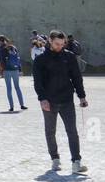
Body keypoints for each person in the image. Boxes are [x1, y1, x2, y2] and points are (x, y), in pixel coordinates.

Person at [32, 29, 89, 174]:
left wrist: (81, 96)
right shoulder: (40, 59)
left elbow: (76, 77)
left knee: (72, 131)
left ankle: (76, 161)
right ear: (50, 41)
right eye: (57, 44)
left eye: (62, 44)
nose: (60, 47)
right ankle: (55, 159)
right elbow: (38, 82)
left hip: (66, 99)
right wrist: (42, 98)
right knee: (50, 131)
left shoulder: (69, 57)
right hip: (49, 101)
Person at [0, 35, 27, 112]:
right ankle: (22, 105)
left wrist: (1, 70)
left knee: (9, 88)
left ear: (0, 41)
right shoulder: (13, 47)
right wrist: (20, 69)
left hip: (7, 70)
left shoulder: (0, 49)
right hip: (15, 69)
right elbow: (18, 58)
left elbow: (1, 60)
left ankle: (11, 106)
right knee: (17, 87)